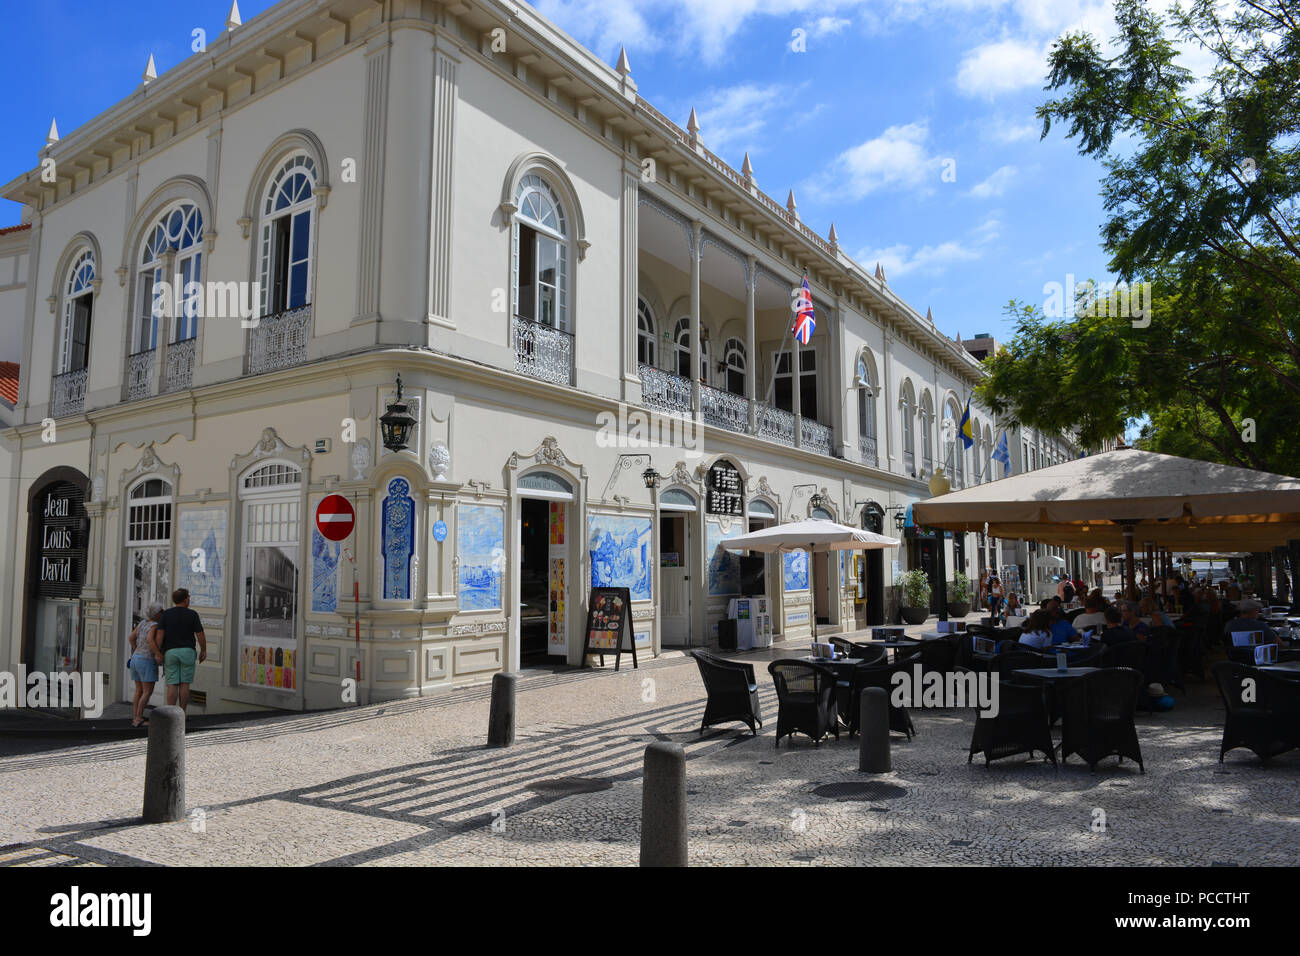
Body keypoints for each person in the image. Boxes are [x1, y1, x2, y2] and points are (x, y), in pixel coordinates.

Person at [153, 587, 208, 713]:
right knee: (184, 684)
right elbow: (200, 635)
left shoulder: (166, 614)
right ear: (184, 599)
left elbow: (160, 635)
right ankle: (182, 713)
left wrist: (157, 653)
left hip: (170, 652)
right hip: (187, 652)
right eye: (188, 597)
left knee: (172, 684)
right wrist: (203, 650)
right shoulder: (192, 614)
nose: (190, 599)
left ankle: (170, 714)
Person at [127, 603, 163, 728]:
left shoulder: (142, 623)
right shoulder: (155, 625)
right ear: (157, 614)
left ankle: (135, 717)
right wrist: (158, 653)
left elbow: (131, 637)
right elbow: (149, 640)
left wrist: (136, 649)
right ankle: (138, 719)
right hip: (146, 659)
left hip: (135, 658)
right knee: (147, 691)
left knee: (138, 690)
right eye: (161, 611)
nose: (163, 613)